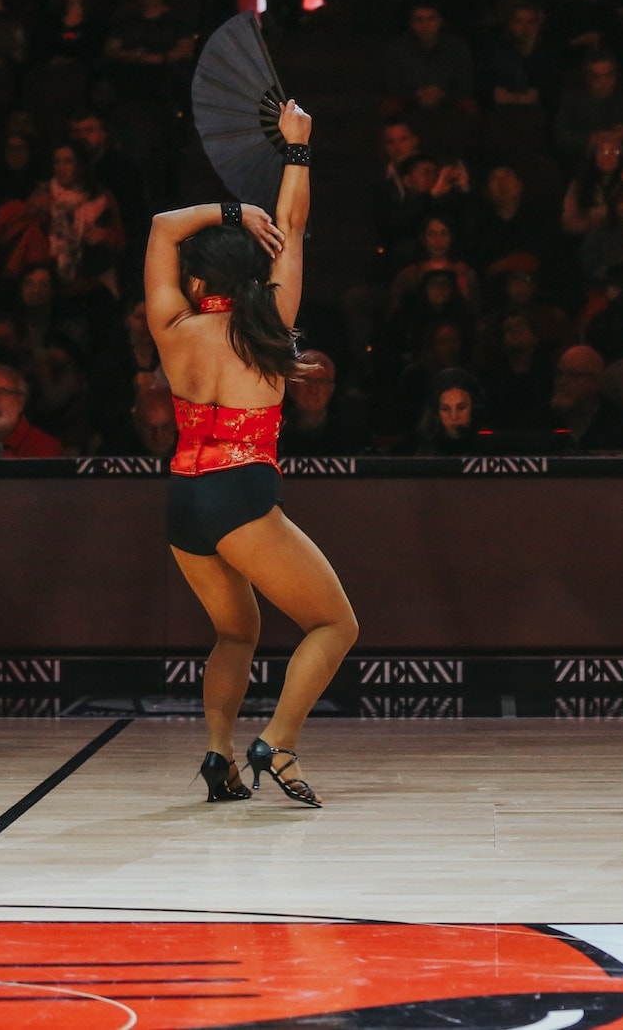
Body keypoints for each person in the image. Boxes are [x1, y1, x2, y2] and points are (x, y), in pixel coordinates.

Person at [145, 100, 356, 808]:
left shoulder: (171, 326)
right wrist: (297, 148)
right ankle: (279, 741)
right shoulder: (267, 325)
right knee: (335, 624)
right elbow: (293, 226)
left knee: (237, 630)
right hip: (238, 492)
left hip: (183, 499)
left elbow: (162, 226)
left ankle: (218, 757)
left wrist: (229, 213)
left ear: (198, 282)